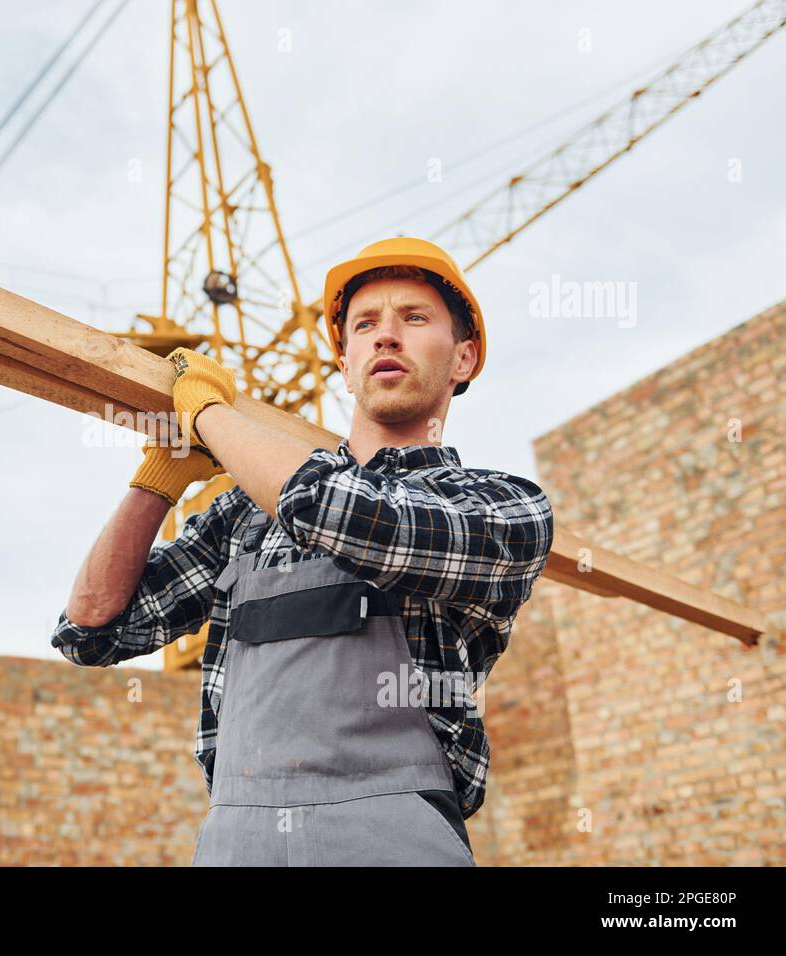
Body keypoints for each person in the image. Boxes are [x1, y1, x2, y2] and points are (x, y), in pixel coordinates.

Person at [51, 237, 554, 866]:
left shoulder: (504, 508)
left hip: (394, 833)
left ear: (464, 357)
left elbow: (346, 516)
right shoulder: (245, 514)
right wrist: (159, 480)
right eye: (365, 325)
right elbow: (93, 630)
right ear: (344, 366)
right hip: (237, 836)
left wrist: (208, 415)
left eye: (414, 318)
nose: (385, 337)